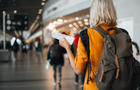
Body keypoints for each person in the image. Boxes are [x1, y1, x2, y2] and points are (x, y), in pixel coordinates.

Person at [59, 0, 118, 90]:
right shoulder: (122, 33)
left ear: (94, 11)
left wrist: (67, 48)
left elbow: (78, 70)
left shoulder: (87, 35)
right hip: (118, 85)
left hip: (95, 86)